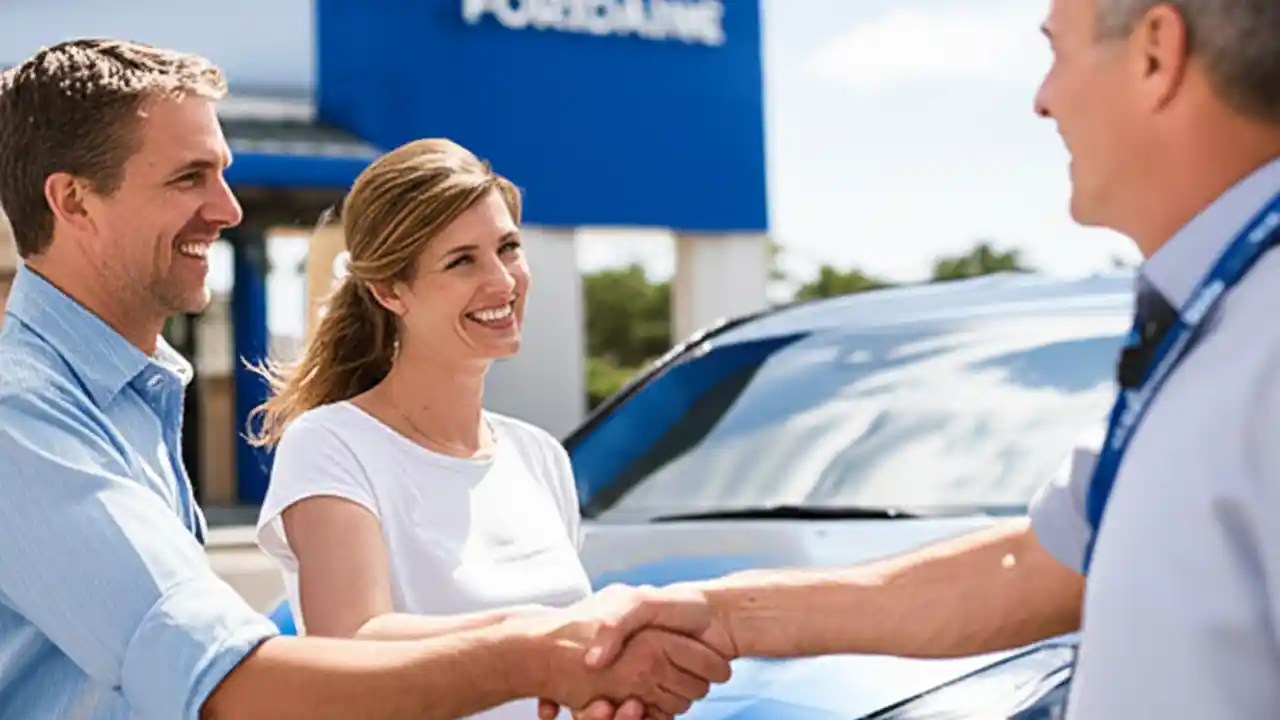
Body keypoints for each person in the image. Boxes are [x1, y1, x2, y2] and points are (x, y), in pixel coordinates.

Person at [558, 0, 1280, 717]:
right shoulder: (1213, 326)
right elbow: (1033, 567)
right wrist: (722, 616)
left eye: (1056, 51)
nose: (1042, 99)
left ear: (1155, 52)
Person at [0, 38, 732, 720]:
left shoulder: (132, 400)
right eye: (191, 176)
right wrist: (549, 651)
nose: (228, 209)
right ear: (73, 201)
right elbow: (223, 678)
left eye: (223, 172)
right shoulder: (22, 413)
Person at [245, 138, 601, 720]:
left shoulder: (540, 458)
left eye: (508, 248)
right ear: (389, 291)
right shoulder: (332, 445)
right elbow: (351, 645)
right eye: (462, 261)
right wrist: (540, 640)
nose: (503, 281)